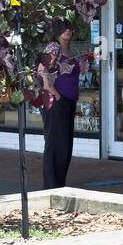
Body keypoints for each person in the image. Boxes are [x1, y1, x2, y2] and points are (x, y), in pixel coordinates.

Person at [38, 19, 90, 189]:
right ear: (55, 30)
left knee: (65, 146)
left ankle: (59, 185)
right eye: (63, 28)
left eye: (69, 27)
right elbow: (41, 70)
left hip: (69, 102)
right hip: (56, 102)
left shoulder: (69, 49)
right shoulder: (53, 47)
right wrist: (55, 94)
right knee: (55, 144)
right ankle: (50, 188)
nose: (67, 30)